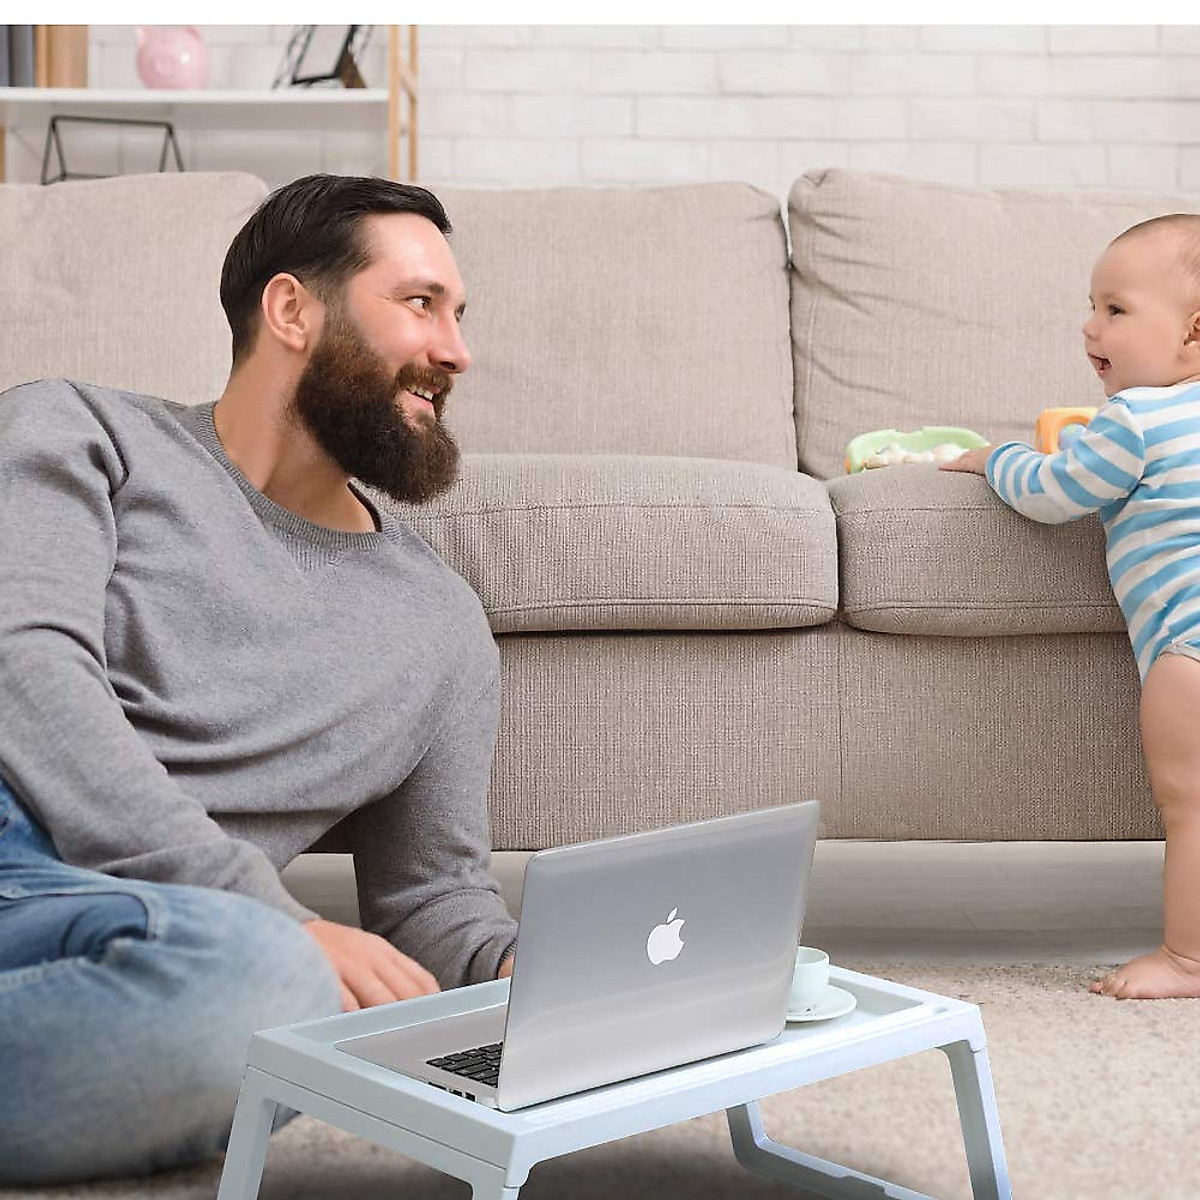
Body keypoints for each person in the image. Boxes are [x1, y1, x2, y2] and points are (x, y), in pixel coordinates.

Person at [0, 174, 517, 1183]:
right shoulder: (80, 433)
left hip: (158, 929)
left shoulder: (443, 628)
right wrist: (276, 911)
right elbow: (27, 671)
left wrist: (524, 976)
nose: (455, 350)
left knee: (271, 995)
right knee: (281, 966)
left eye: (458, 317)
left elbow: (433, 894)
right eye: (419, 305)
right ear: (292, 310)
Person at [941, 212, 1200, 1001]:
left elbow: (1053, 495)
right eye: (1093, 306)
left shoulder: (1134, 421)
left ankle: (1189, 960)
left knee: (1191, 808)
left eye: (1116, 310)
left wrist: (996, 457)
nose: (1090, 327)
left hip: (1189, 652)